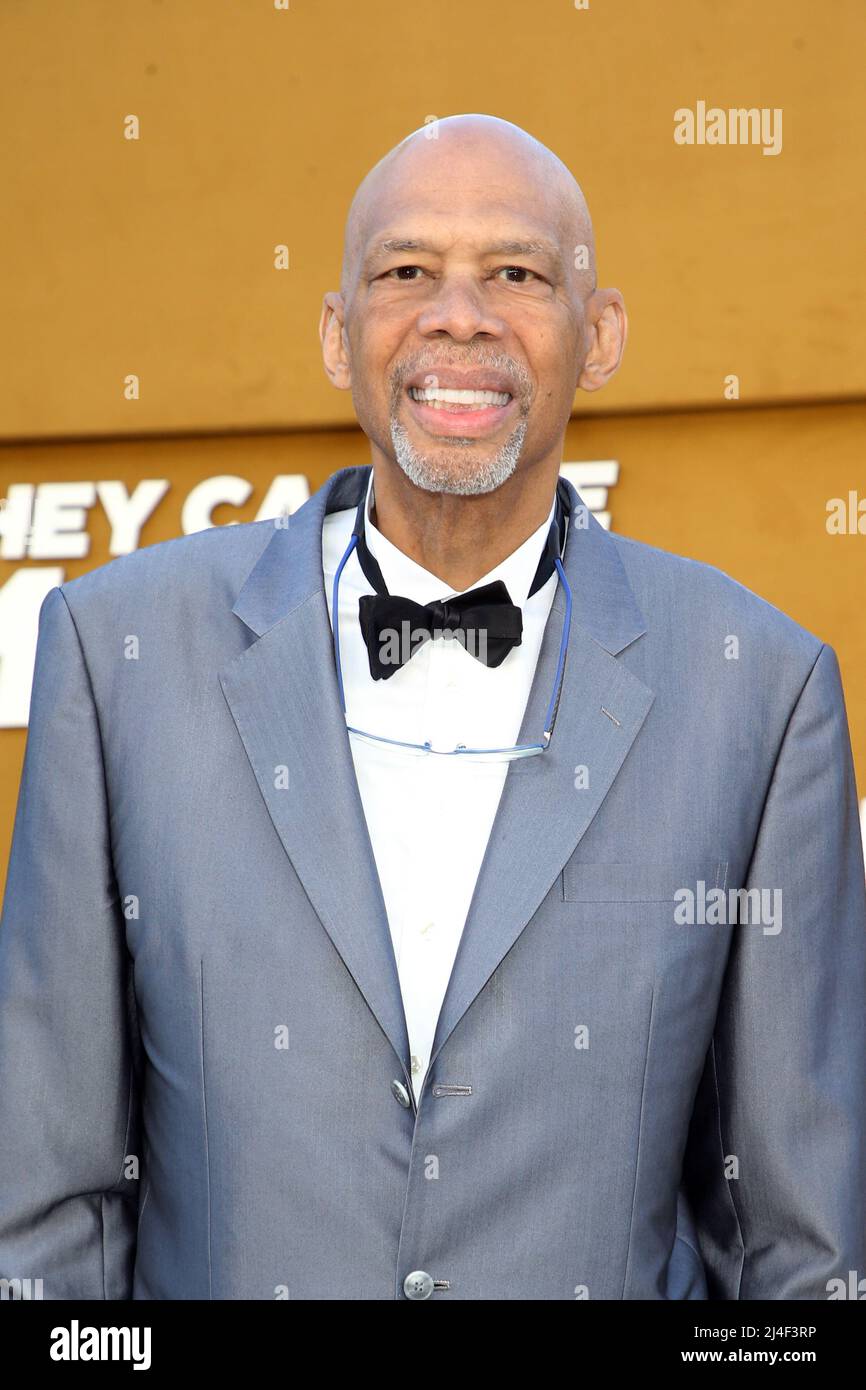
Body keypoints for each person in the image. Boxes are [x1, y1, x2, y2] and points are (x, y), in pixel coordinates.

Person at [1, 114, 864, 1301]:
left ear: (598, 334)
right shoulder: (119, 653)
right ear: (335, 330)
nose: (457, 316)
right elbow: (47, 1202)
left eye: (514, 273)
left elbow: (792, 1243)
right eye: (405, 272)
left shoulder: (757, 690)